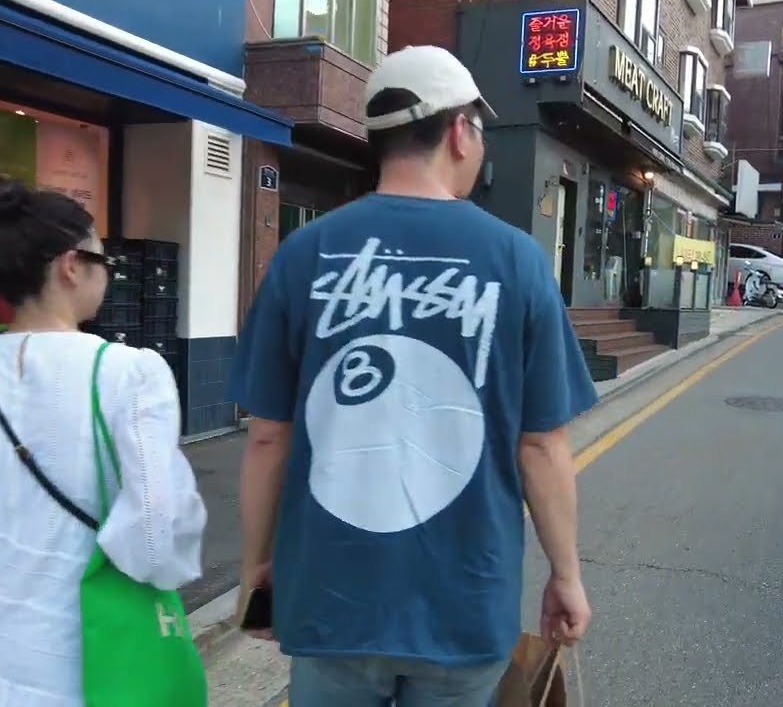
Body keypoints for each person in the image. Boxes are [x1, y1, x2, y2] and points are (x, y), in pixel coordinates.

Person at [228, 45, 599, 706]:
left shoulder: (304, 253)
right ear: (460, 131)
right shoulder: (516, 259)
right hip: (463, 604)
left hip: (329, 600)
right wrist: (565, 575)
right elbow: (541, 445)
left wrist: (258, 565)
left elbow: (266, 437)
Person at [0, 177, 207, 706]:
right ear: (70, 265)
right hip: (93, 668)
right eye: (104, 260)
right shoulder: (128, 375)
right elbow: (154, 540)